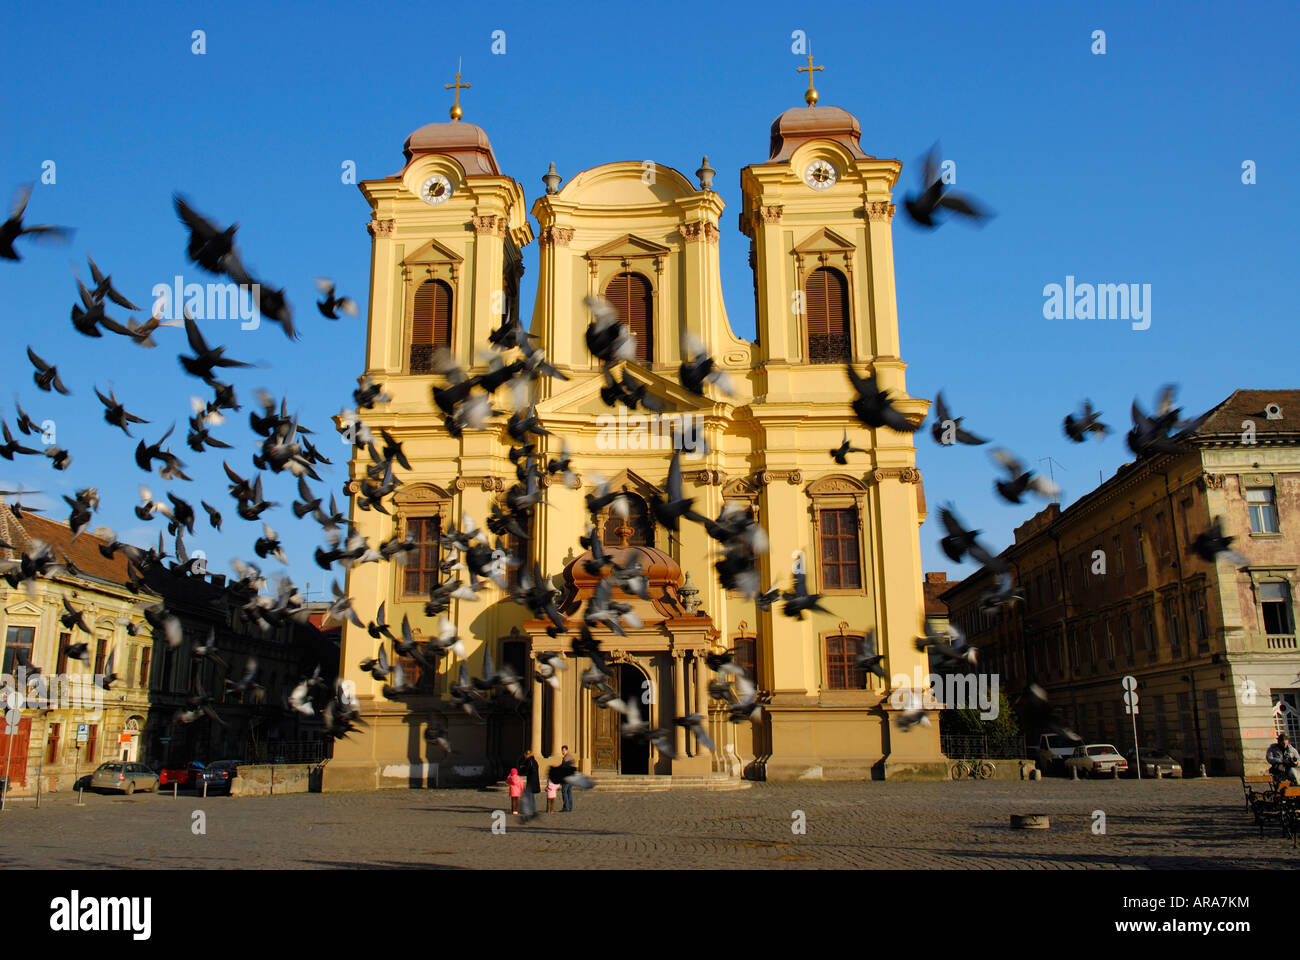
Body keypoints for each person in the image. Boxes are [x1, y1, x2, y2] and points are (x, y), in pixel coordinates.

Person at [559, 745, 576, 812]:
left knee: (564, 791)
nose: (562, 752)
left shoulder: (566, 758)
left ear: (566, 750)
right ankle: (570, 807)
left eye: (563, 750)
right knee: (569, 792)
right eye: (562, 750)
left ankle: (566, 807)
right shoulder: (571, 757)